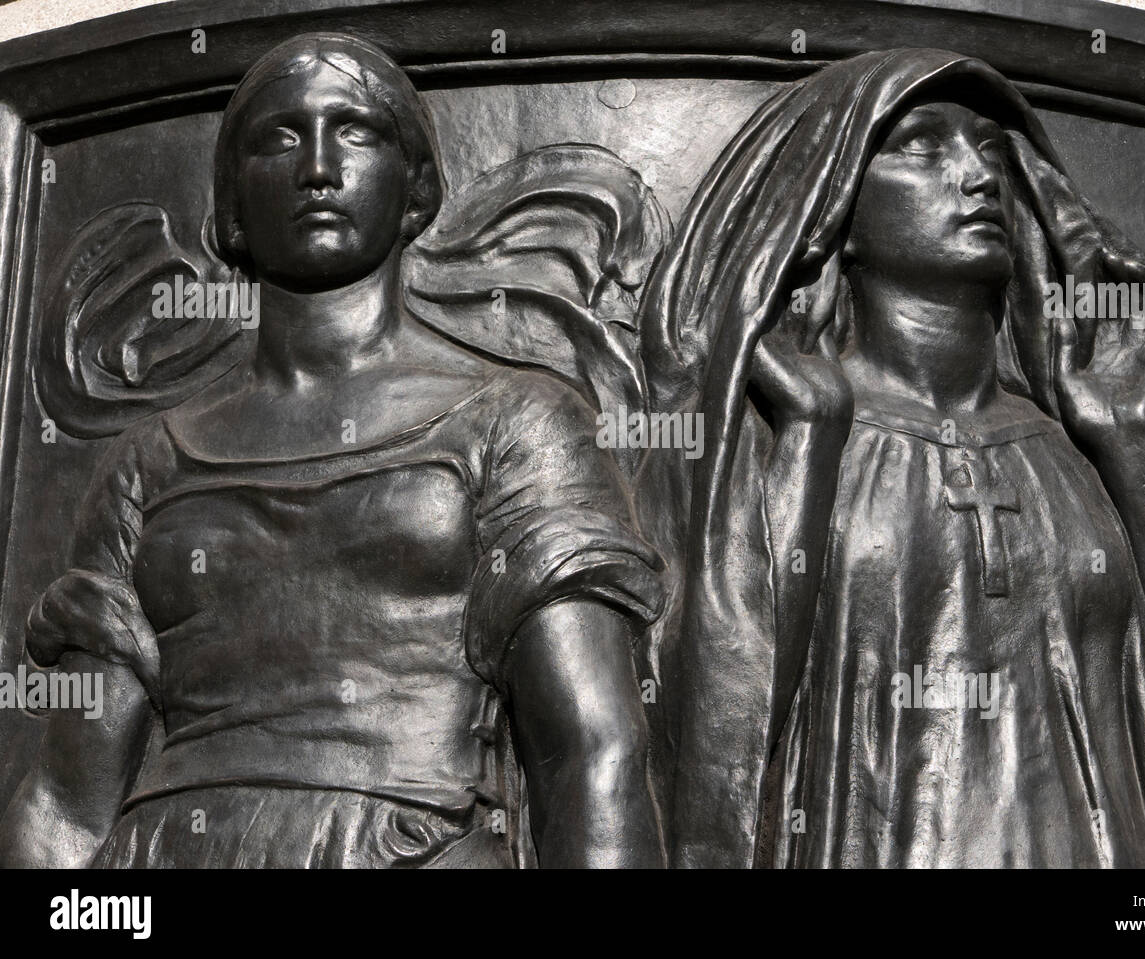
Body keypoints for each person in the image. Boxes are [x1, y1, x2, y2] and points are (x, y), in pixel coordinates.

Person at [0, 33, 665, 869]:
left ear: (417, 187)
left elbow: (590, 749)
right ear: (230, 209)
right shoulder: (145, 466)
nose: (318, 164)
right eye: (278, 137)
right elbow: (68, 797)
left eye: (356, 130)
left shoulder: (516, 422)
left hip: (410, 850)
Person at [638, 48, 1145, 868]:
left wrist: (1137, 448)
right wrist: (810, 436)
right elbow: (714, 766)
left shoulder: (1081, 448)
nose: (977, 175)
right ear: (831, 209)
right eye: (921, 145)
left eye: (988, 150)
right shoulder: (783, 437)